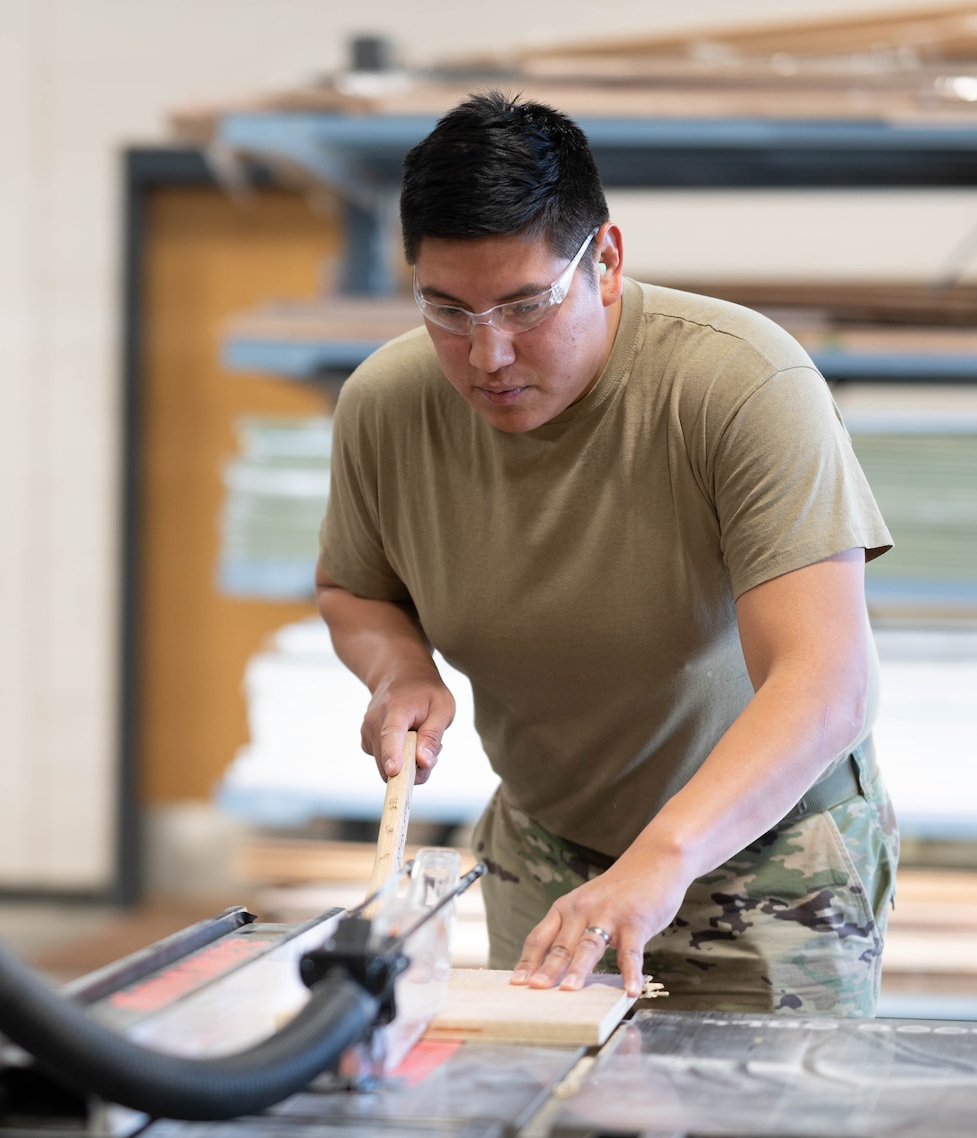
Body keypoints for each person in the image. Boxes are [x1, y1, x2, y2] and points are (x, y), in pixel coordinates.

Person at [316, 91, 899, 1016]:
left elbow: (827, 686)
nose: (487, 354)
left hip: (763, 849)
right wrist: (399, 672)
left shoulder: (739, 386)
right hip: (548, 847)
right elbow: (354, 587)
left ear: (608, 263)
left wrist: (660, 859)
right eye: (447, 309)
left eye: (524, 304)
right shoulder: (387, 403)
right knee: (556, 1135)